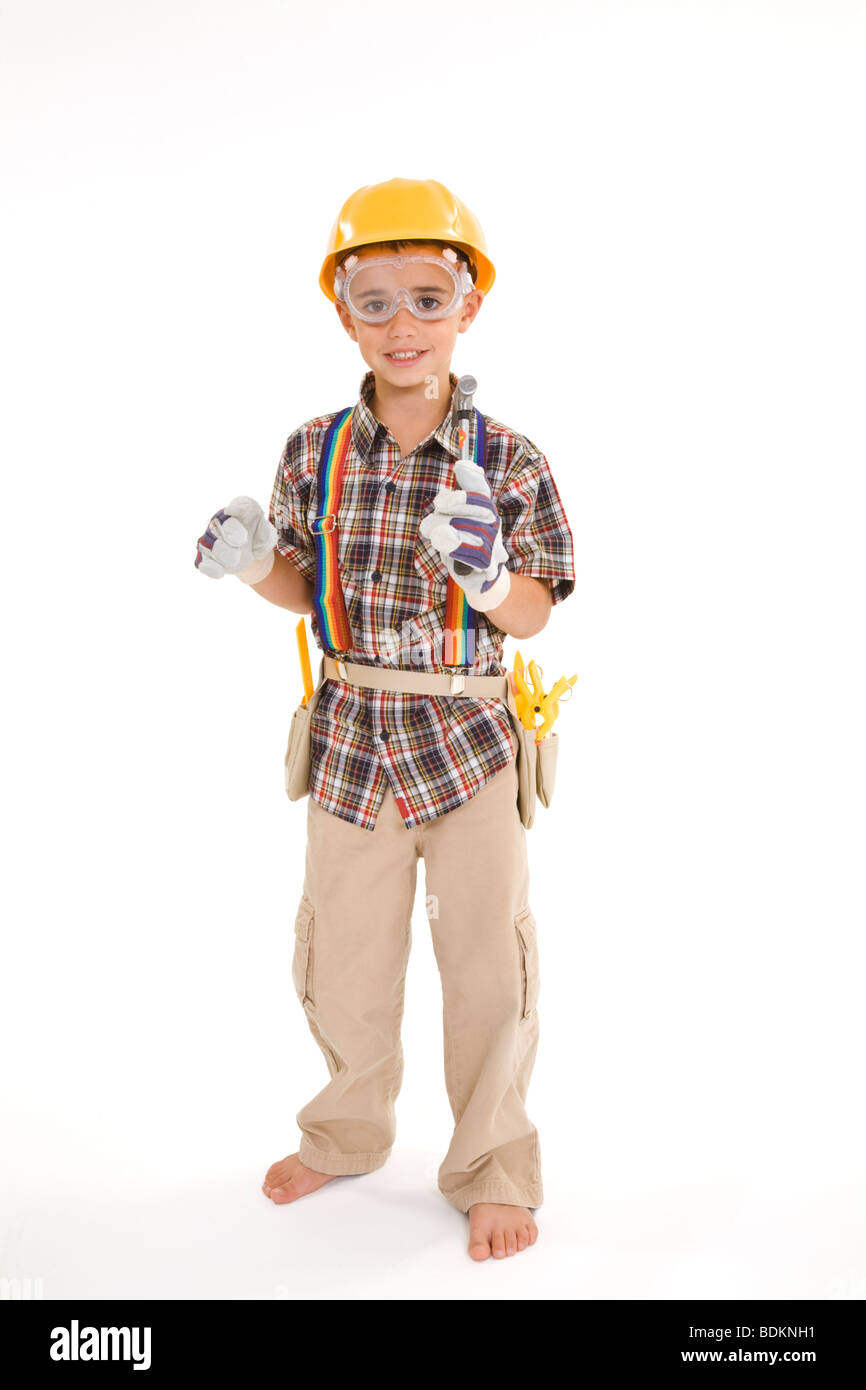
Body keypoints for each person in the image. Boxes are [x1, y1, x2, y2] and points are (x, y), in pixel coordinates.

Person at [195, 178, 575, 1261]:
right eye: (375, 301)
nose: (402, 323)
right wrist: (256, 562)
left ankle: (493, 1160)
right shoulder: (313, 449)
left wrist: (493, 575)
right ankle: (348, 1131)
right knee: (345, 958)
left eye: (426, 297)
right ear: (341, 311)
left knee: (486, 969)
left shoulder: (511, 460)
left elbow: (535, 610)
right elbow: (306, 586)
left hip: (467, 744)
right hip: (355, 738)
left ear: (469, 306)